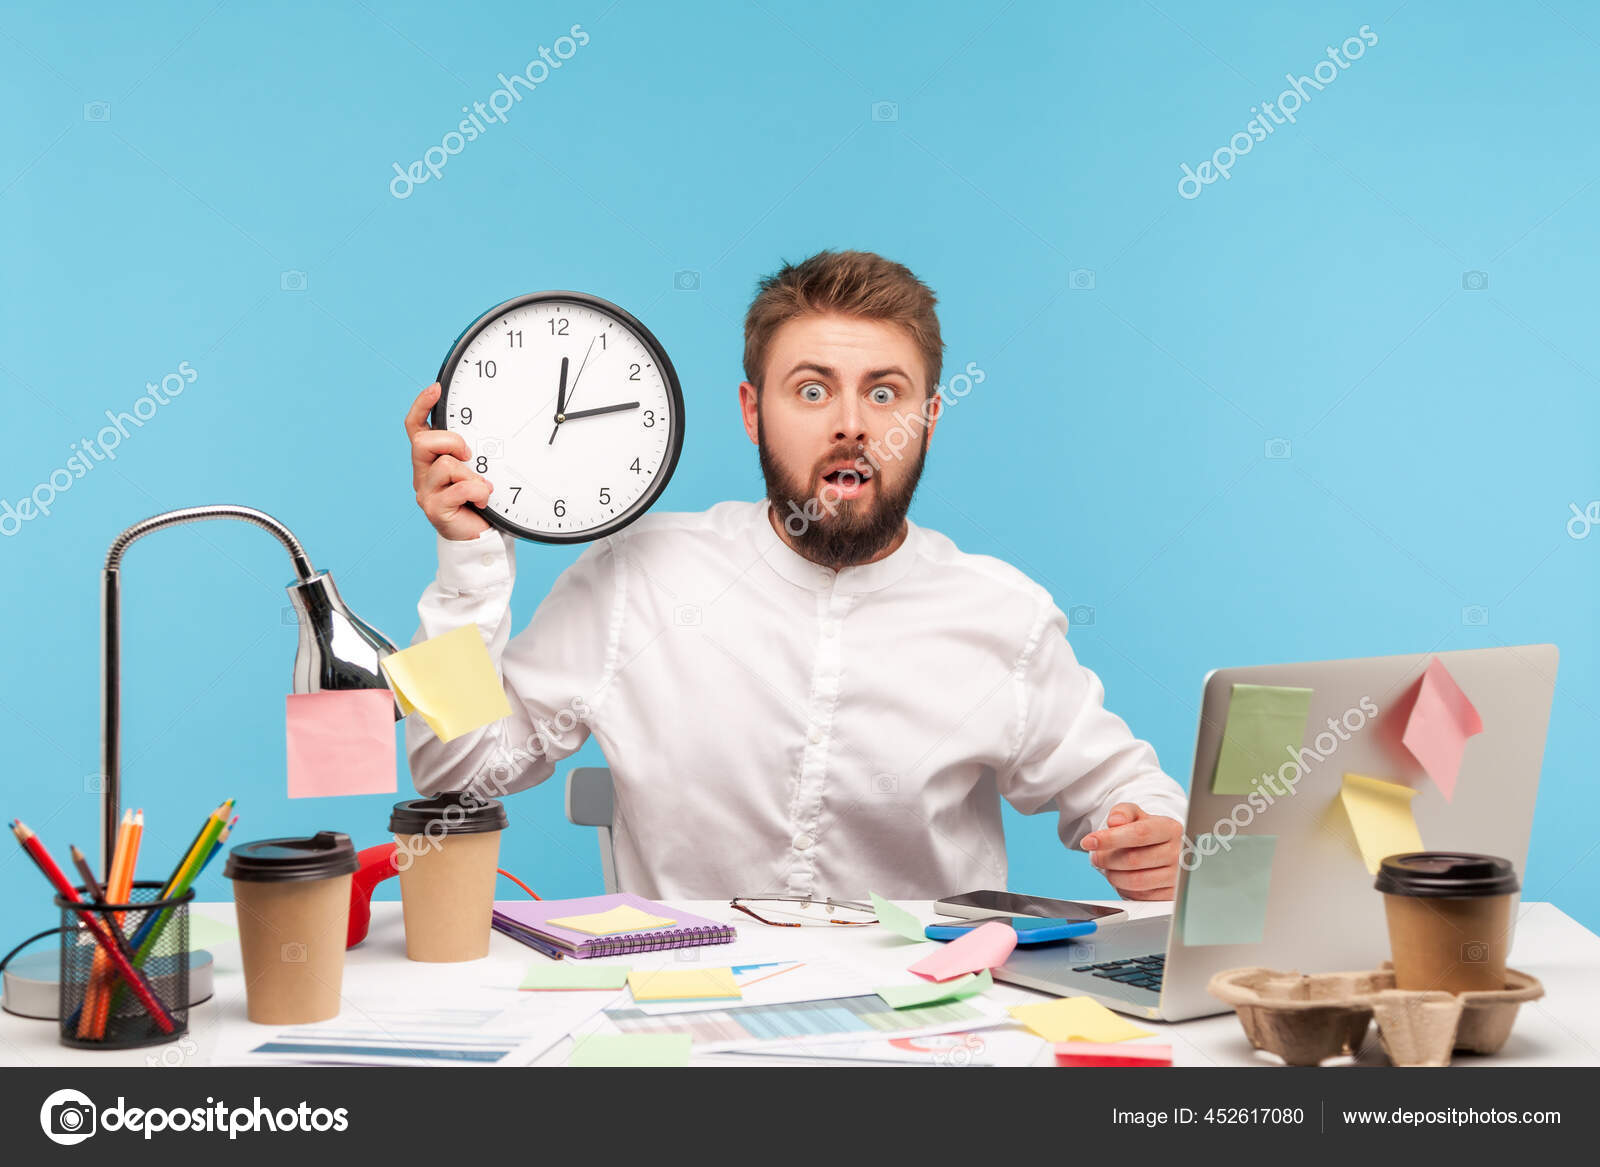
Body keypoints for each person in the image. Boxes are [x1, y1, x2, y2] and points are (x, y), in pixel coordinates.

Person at [402, 249, 1187, 901]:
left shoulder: (1002, 614)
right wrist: (469, 565)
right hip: (692, 1029)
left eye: (885, 392)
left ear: (928, 418)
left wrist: (1151, 836)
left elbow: (1134, 796)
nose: (851, 422)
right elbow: (455, 770)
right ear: (752, 411)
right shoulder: (635, 576)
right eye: (812, 390)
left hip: (923, 1038)